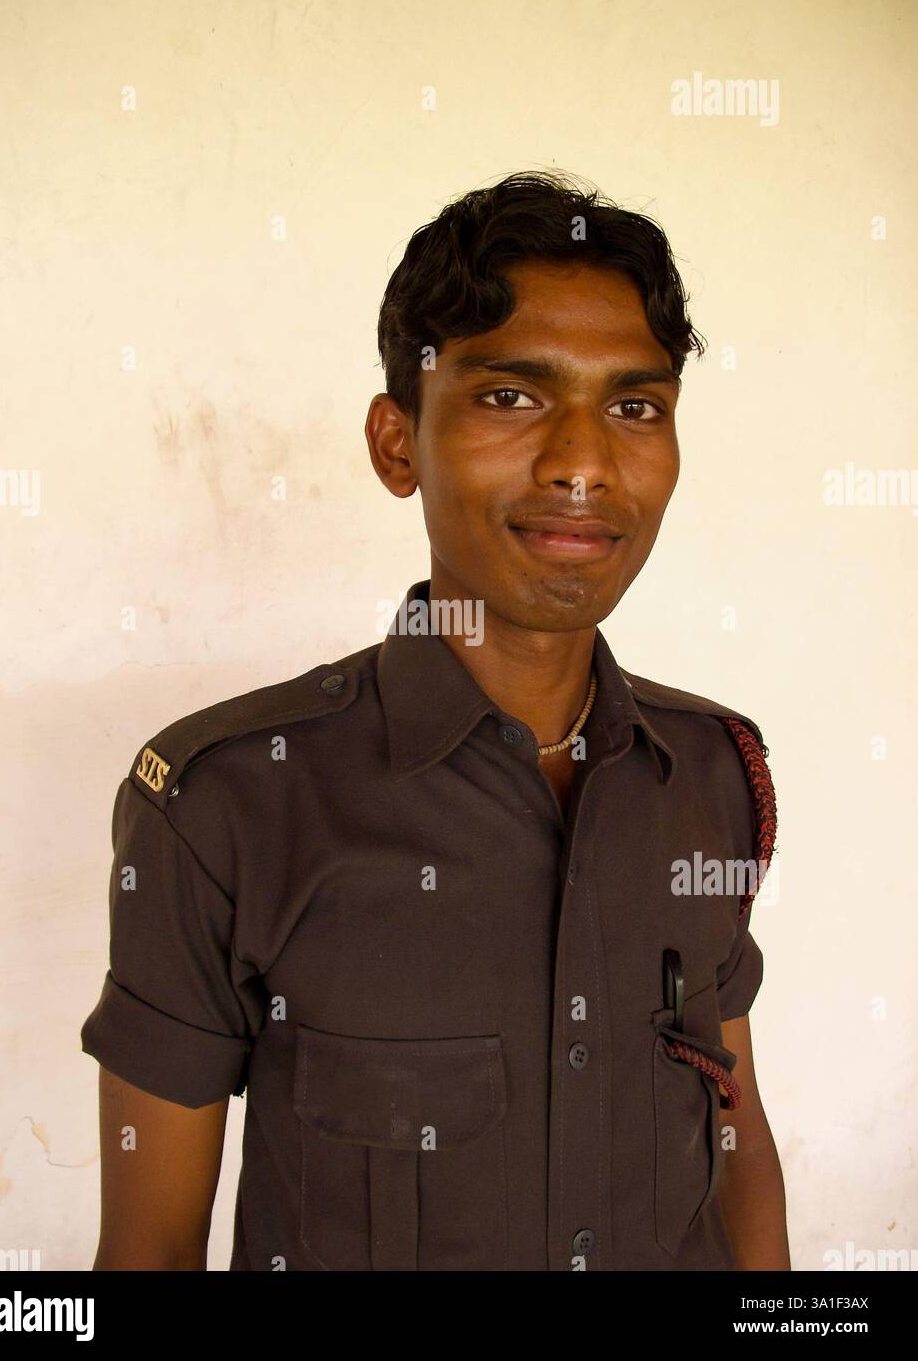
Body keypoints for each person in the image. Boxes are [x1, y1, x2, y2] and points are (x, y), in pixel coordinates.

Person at [81, 169, 790, 1271]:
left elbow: (736, 1137)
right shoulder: (227, 803)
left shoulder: (705, 773)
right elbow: (149, 1252)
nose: (583, 462)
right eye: (512, 396)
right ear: (397, 443)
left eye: (634, 406)